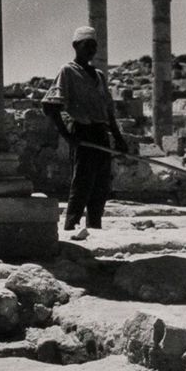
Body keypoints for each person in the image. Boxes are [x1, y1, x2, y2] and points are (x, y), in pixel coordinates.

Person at [42, 26, 129, 230]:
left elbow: (108, 111)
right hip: (83, 132)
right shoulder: (68, 71)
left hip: (101, 134)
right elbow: (51, 107)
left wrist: (118, 138)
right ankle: (71, 225)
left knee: (101, 185)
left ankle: (94, 228)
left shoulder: (99, 75)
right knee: (82, 183)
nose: (91, 50)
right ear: (76, 46)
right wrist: (68, 136)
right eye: (87, 45)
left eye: (94, 46)